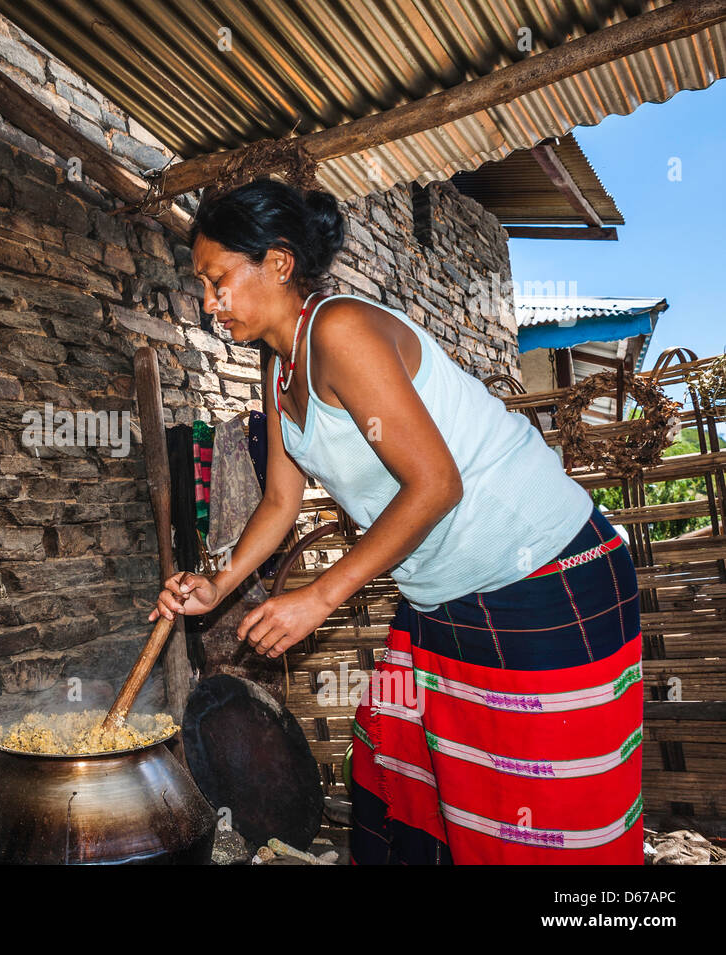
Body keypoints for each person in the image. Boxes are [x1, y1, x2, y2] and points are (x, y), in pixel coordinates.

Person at [150, 178, 643, 864]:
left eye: (217, 279)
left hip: (542, 573)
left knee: (540, 818)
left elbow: (436, 483)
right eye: (203, 285)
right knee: (397, 768)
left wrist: (321, 595)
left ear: (280, 262)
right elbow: (280, 504)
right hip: (447, 592)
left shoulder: (342, 332)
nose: (208, 303)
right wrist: (217, 582)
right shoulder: (278, 366)